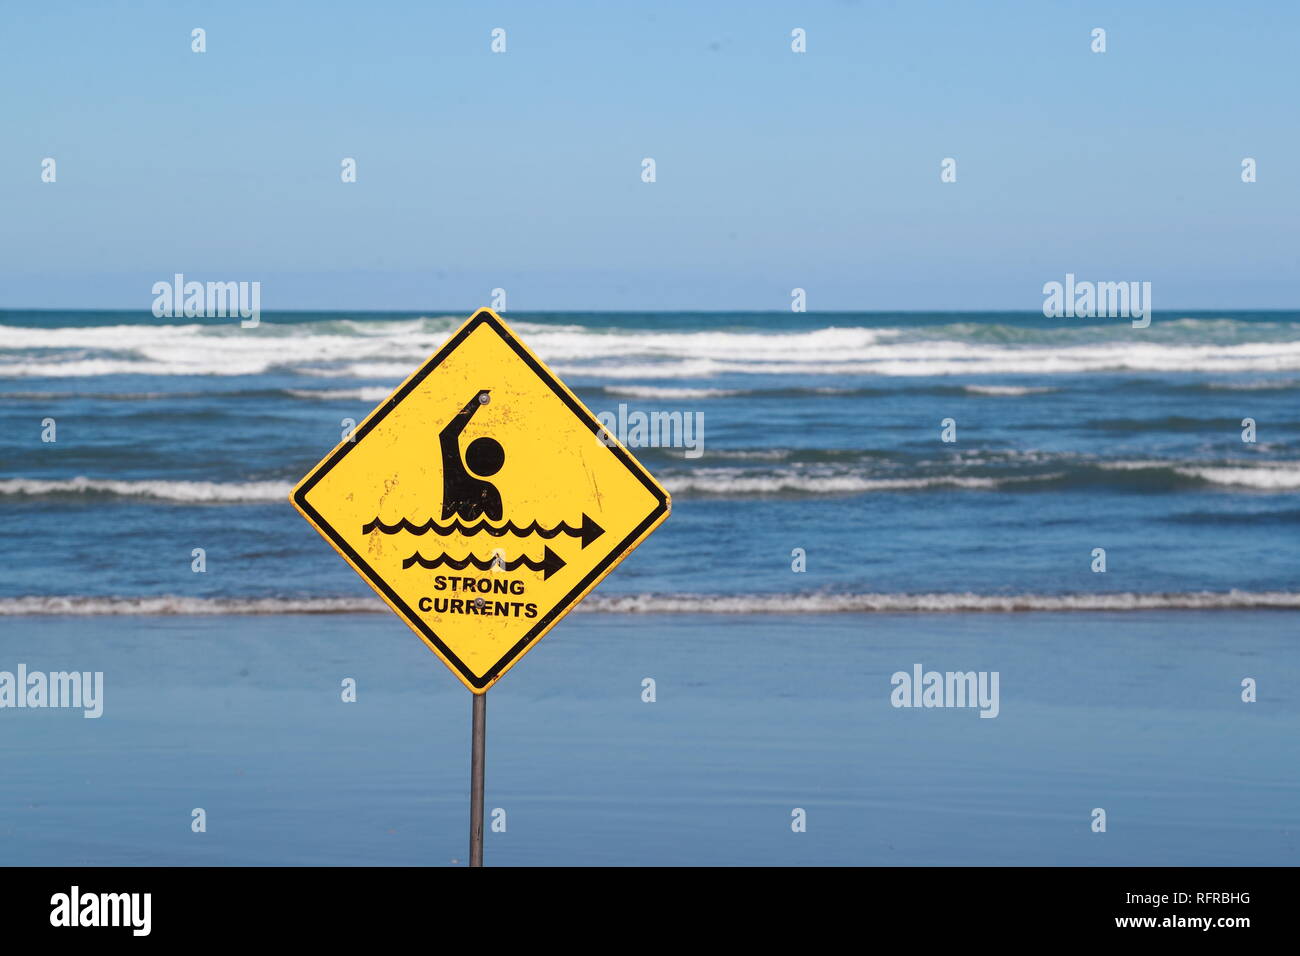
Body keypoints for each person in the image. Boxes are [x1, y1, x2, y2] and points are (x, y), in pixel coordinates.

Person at [439, 390, 504, 521]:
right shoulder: (488, 490)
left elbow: (447, 436)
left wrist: (477, 400)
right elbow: (447, 436)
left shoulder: (487, 491)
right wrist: (477, 401)